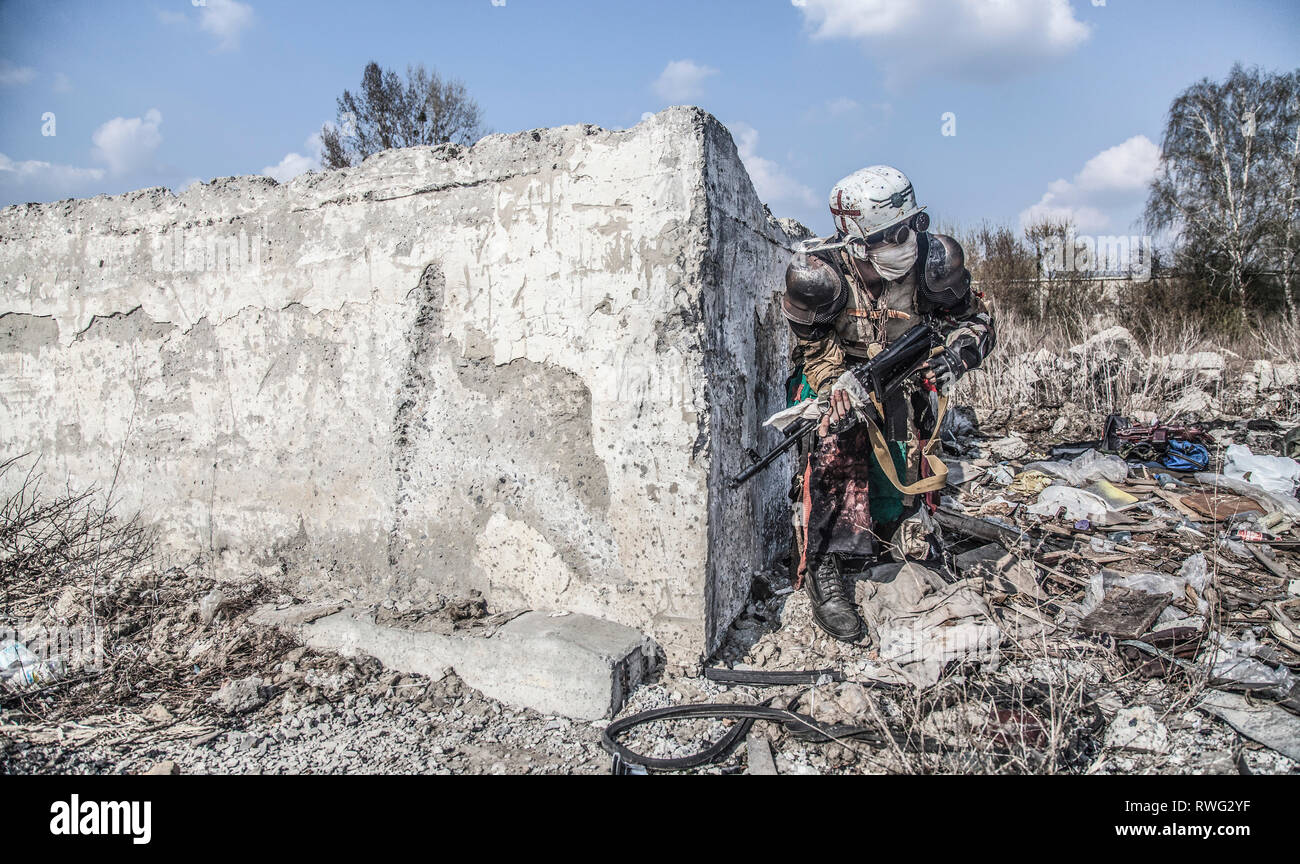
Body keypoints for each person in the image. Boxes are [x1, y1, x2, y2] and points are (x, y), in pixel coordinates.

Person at [781, 165, 996, 642]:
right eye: (889, 236)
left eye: (912, 226)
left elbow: (977, 322)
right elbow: (814, 349)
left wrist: (959, 355)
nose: (907, 242)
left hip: (905, 379)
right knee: (834, 449)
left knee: (907, 463)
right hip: (843, 376)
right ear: (855, 238)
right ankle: (825, 563)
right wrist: (837, 387)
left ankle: (902, 537)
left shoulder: (935, 261)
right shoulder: (818, 278)